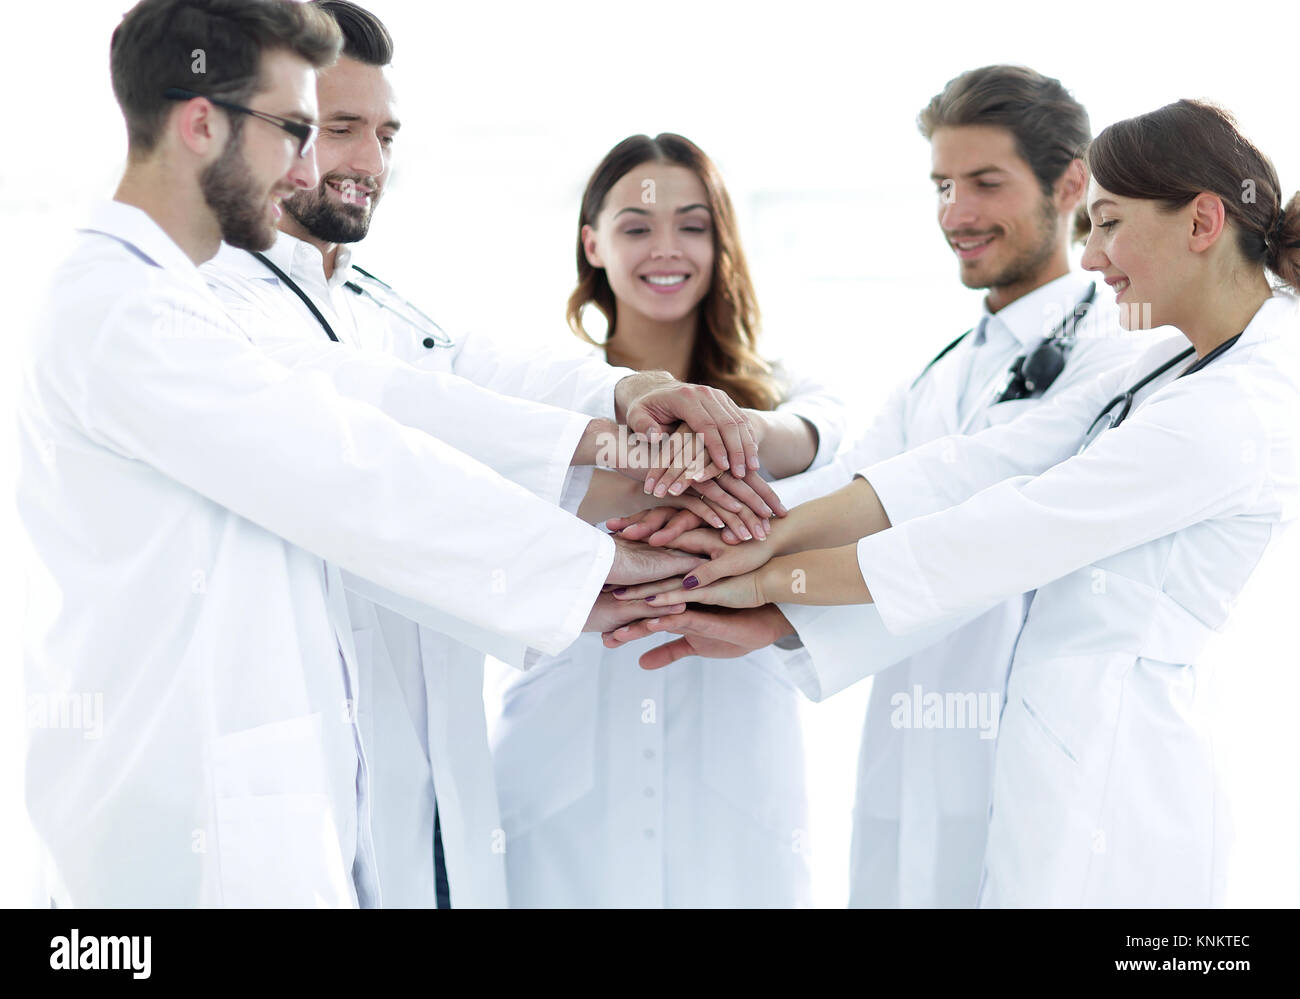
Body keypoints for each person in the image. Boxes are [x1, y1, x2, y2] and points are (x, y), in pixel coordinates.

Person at [17, 0, 703, 908]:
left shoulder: (169, 293)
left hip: (277, 810)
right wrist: (597, 562)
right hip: (166, 838)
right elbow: (347, 463)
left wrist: (625, 403)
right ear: (199, 124)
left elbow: (446, 378)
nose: (319, 165)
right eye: (302, 129)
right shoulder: (132, 310)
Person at [614, 99, 1300, 907]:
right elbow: (975, 463)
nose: (1094, 256)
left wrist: (768, 583)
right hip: (1054, 748)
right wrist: (772, 542)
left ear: (1203, 221)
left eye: (1108, 224)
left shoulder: (1245, 400)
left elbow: (1015, 528)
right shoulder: (1169, 365)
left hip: (1123, 777)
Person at [200, 2, 789, 907]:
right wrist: (611, 456)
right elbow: (399, 409)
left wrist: (620, 391)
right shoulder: (213, 305)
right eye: (339, 129)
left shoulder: (371, 300)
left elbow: (476, 363)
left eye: (385, 134)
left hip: (432, 785)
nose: (369, 163)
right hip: (294, 778)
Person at [488, 133, 848, 908]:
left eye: (692, 224)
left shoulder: (789, 390)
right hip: (559, 766)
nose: (666, 249)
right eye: (637, 226)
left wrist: (734, 435)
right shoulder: (537, 402)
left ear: (721, 241)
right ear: (593, 244)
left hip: (739, 775)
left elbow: (831, 450)